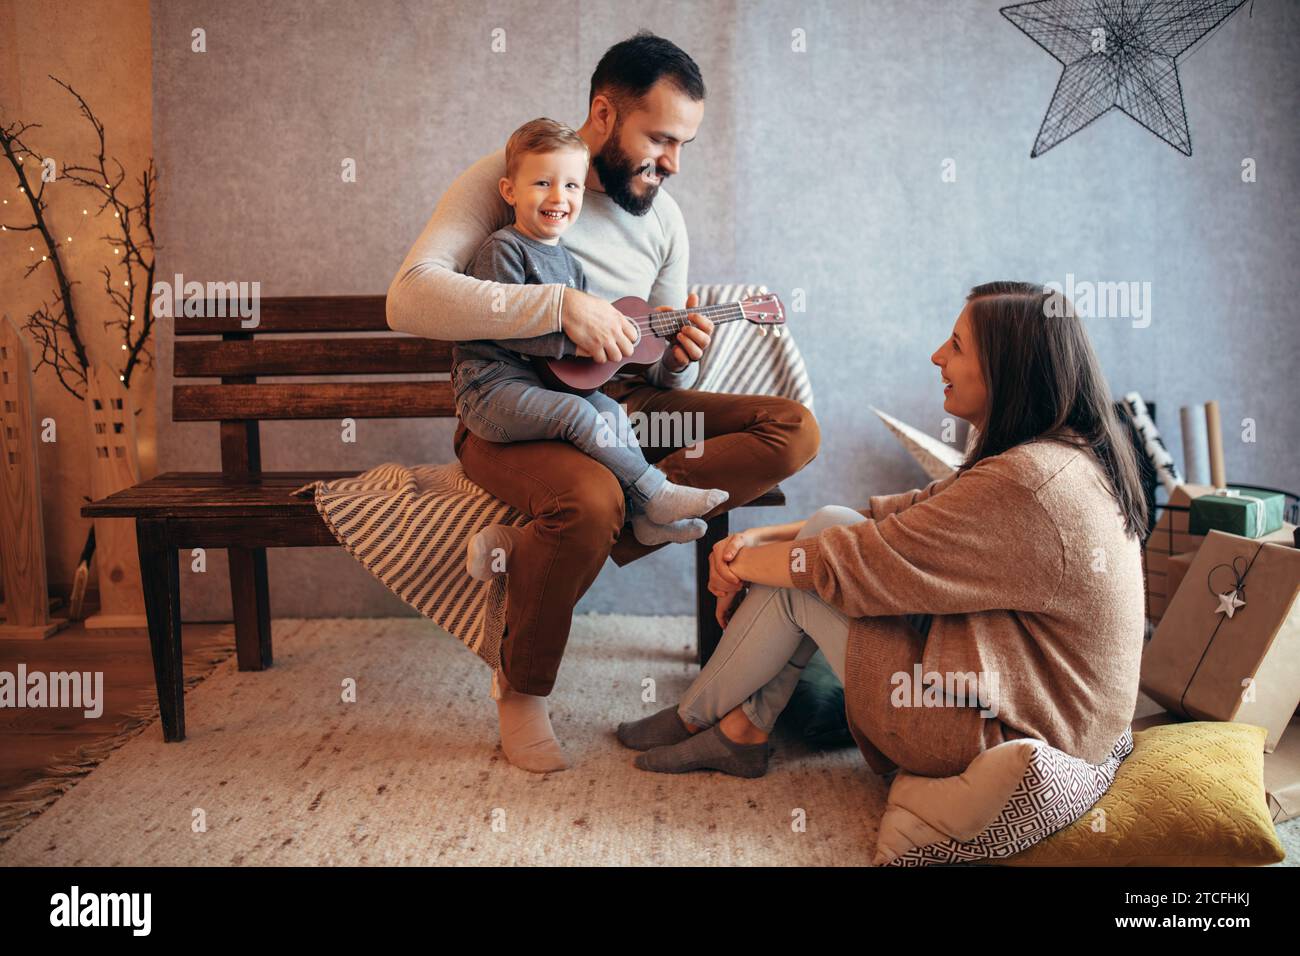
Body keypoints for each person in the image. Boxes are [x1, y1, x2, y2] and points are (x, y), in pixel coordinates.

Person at [386, 31, 821, 773]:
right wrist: (558, 307)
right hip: (514, 406)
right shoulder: (519, 171)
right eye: (660, 137)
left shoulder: (665, 217)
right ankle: (522, 687)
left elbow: (651, 364)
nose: (673, 162)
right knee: (587, 500)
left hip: (620, 402)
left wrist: (681, 359)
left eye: (684, 144)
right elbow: (409, 298)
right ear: (602, 113)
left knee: (792, 428)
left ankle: (604, 526)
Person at [617, 281, 1148, 780]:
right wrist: (758, 539)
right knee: (826, 532)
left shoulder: (1031, 481)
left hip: (1004, 737)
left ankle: (699, 719)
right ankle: (738, 730)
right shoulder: (1054, 458)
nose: (938, 356)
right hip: (1021, 704)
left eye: (957, 346)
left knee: (815, 577)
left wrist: (737, 565)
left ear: (1009, 369)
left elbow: (855, 563)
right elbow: (910, 513)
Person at [453, 117, 729, 565]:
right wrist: (579, 340)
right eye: (542, 183)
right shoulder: (503, 250)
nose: (559, 197)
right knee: (578, 413)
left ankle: (641, 515)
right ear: (510, 192)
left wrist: (634, 339)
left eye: (572, 186)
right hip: (490, 391)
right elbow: (507, 328)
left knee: (608, 413)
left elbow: (585, 350)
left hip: (543, 388)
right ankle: (655, 493)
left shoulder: (570, 265)